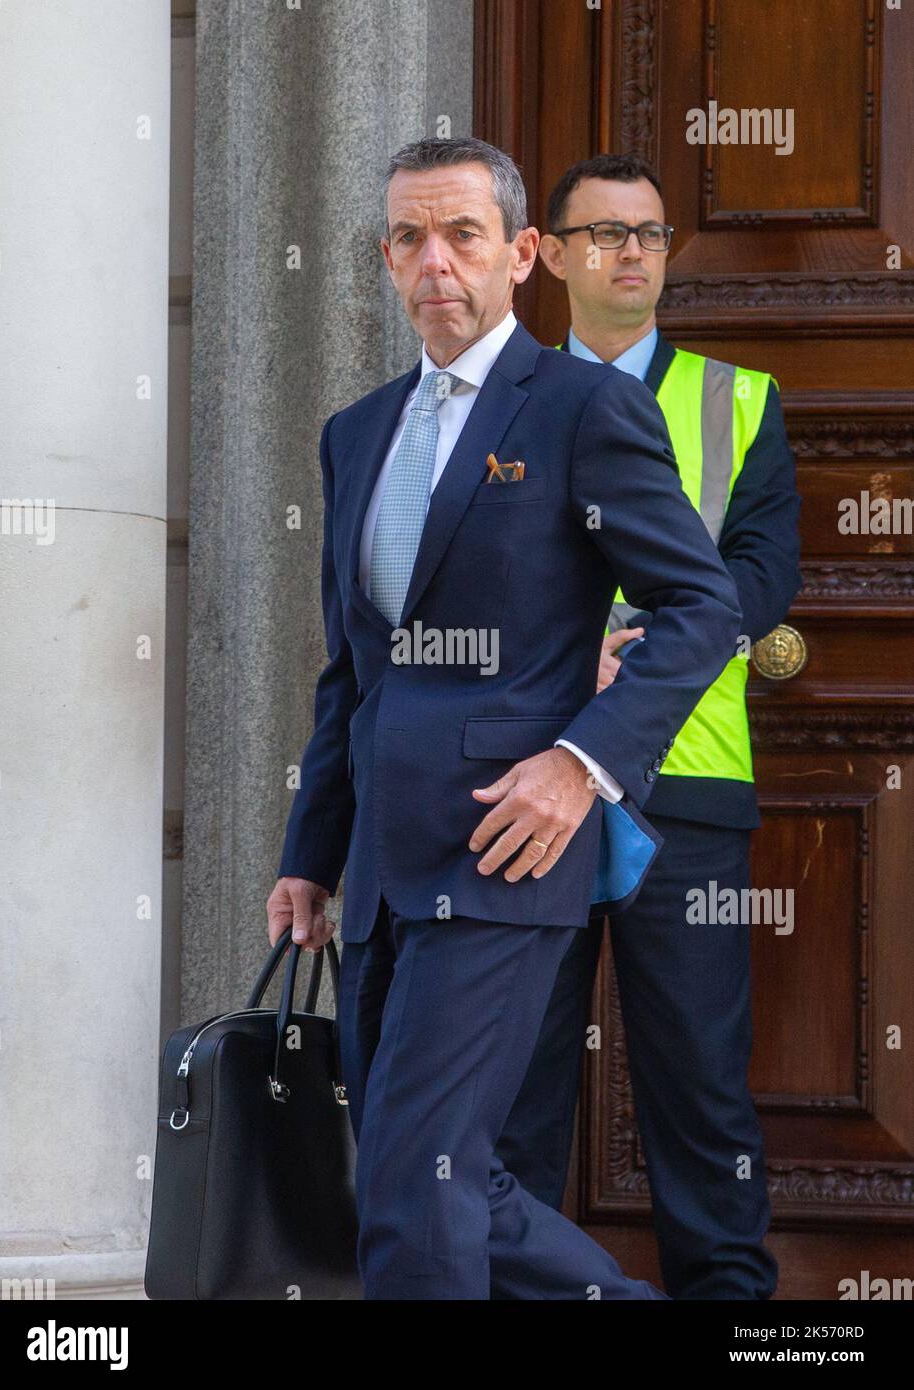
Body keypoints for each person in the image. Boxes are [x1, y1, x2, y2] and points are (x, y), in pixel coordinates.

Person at [266, 136, 742, 1300]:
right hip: (382, 863)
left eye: (464, 234)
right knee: (433, 1174)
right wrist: (311, 856)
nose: (437, 261)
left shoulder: (579, 408)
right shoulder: (355, 434)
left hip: (503, 847)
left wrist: (582, 765)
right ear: (385, 258)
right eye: (410, 237)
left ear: (522, 255)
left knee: (415, 1185)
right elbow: (353, 672)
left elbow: (701, 604)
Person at [495, 153, 801, 1300]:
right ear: (555, 256)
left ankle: (730, 1307)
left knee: (699, 1084)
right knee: (518, 1080)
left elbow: (763, 570)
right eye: (608, 232)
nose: (634, 252)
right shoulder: (502, 396)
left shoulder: (740, 399)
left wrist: (643, 641)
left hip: (687, 787)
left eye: (653, 234)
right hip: (522, 785)